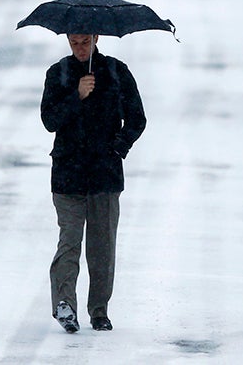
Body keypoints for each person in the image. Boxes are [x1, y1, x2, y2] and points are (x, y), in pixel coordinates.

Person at [40, 33, 147, 333]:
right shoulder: (58, 74)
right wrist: (76, 95)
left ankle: (99, 310)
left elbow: (137, 119)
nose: (79, 47)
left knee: (102, 248)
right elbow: (49, 120)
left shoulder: (116, 72)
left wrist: (118, 148)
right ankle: (65, 305)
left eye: (84, 41)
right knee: (69, 242)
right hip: (67, 175)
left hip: (104, 176)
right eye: (74, 42)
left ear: (96, 38)